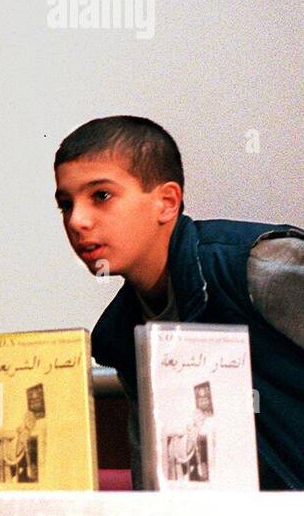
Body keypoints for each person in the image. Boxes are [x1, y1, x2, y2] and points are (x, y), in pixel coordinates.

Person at [53, 115, 303, 489]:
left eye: (101, 196)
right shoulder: (119, 334)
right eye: (65, 204)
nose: (77, 221)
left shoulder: (253, 266)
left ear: (167, 202)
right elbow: (154, 477)